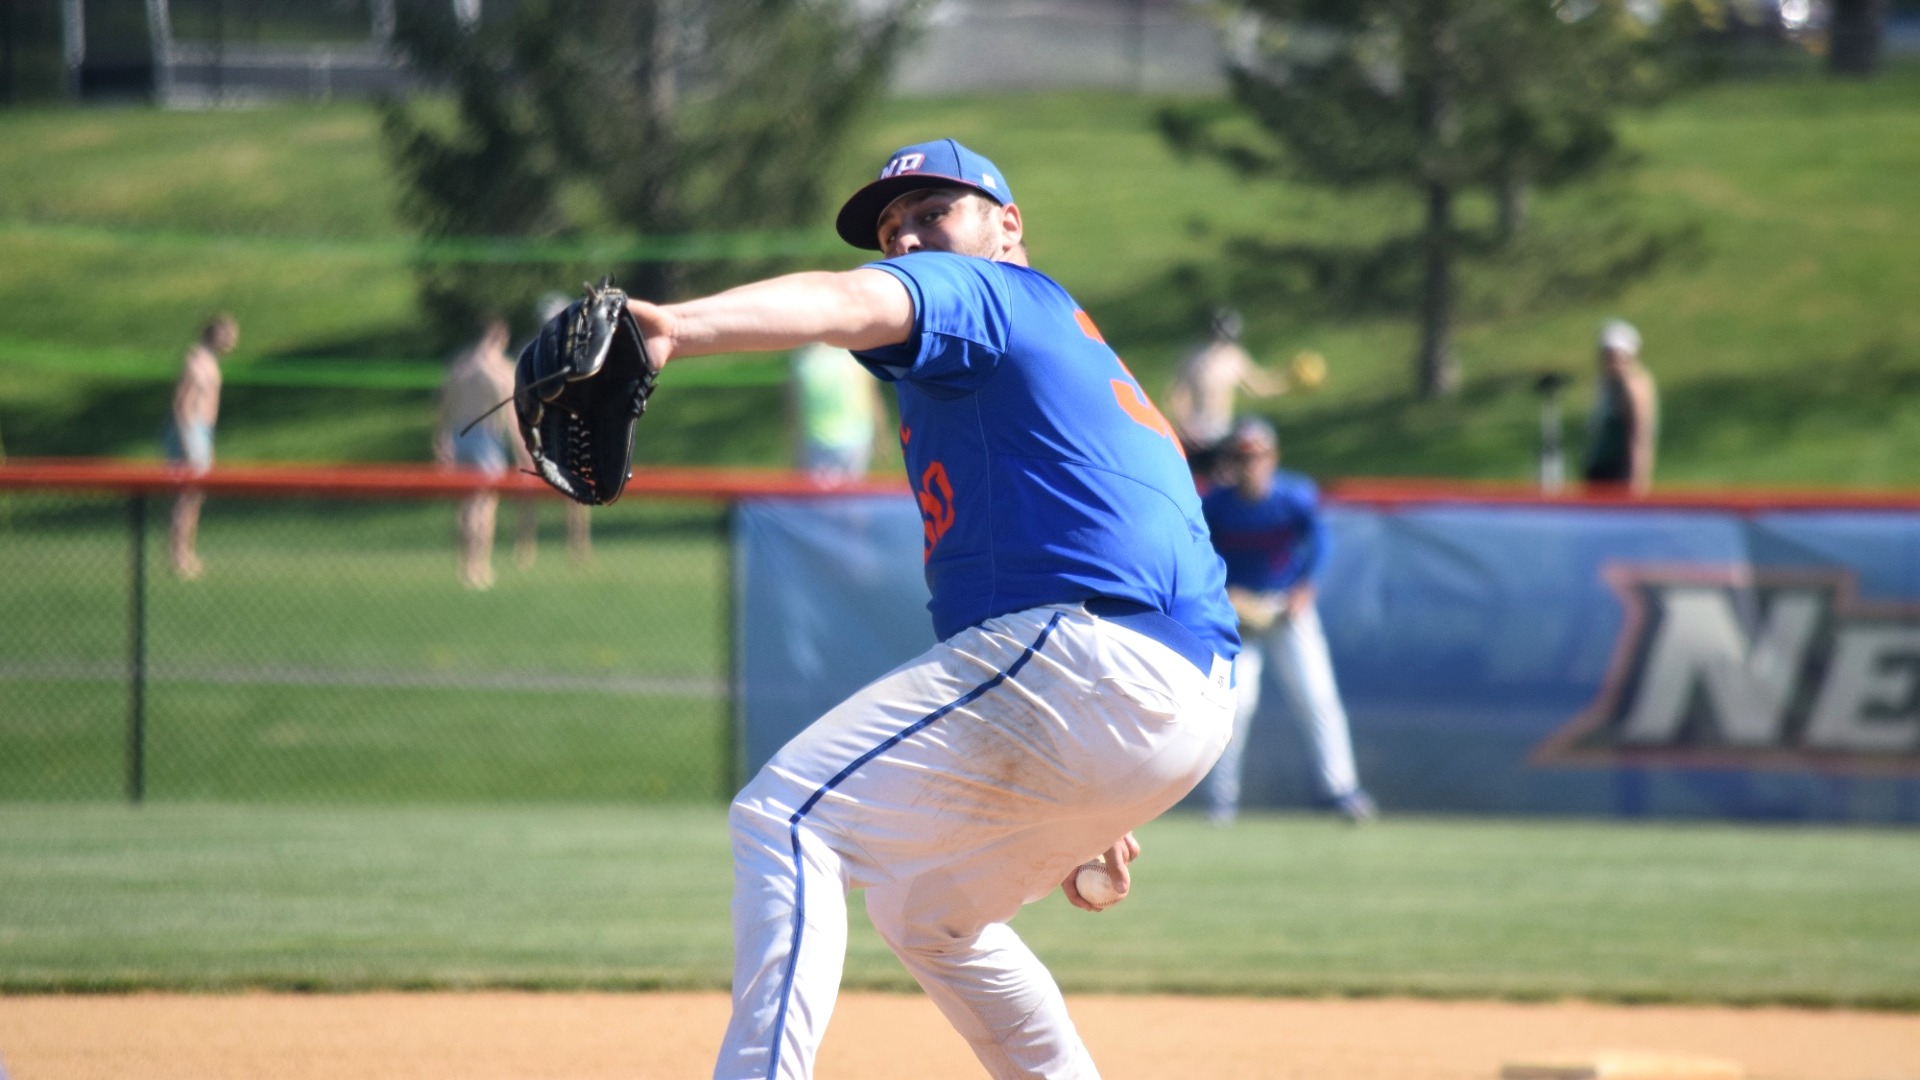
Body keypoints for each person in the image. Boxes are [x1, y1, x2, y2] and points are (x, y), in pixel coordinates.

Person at [619, 138, 1239, 1079]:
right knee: (928, 916)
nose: (906, 239)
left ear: (1006, 225)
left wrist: (673, 325)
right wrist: (1099, 784)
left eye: (931, 213)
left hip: (1089, 660)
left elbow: (845, 302)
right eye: (891, 229)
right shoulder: (1049, 346)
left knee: (787, 818)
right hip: (1165, 690)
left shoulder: (990, 293)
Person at [1199, 416, 1375, 826]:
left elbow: (1320, 542)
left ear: (1273, 457)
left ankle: (1341, 789)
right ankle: (1221, 802)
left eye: (1258, 455)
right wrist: (1223, 593)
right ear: (1231, 461)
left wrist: (1306, 587)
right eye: (1242, 456)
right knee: (1235, 707)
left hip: (1286, 607)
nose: (1251, 464)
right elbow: (1202, 554)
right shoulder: (1217, 504)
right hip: (1239, 612)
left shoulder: (1293, 495)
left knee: (1317, 697)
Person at [435, 317, 522, 590]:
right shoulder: (500, 369)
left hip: (459, 437)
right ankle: (480, 566)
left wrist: (440, 439)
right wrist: (522, 450)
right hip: (486, 440)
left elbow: (443, 405)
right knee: (484, 507)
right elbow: (511, 413)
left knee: (464, 507)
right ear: (500, 337)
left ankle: (465, 566)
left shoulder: (460, 366)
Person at [1164, 306, 1288, 483]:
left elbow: (1256, 387)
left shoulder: (1233, 358)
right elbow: (1176, 395)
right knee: (1193, 481)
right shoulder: (1194, 357)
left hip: (1221, 432)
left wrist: (1287, 382)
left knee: (1224, 481)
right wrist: (1185, 426)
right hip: (1194, 434)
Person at [165, 312, 238, 580]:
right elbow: (182, 404)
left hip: (201, 431)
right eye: (228, 334)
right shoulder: (195, 363)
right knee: (187, 495)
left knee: (195, 497)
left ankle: (187, 552)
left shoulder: (210, 362)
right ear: (214, 334)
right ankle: (178, 556)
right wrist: (188, 441)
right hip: (190, 429)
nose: (232, 340)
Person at [787, 341, 888, 486]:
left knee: (827, 496)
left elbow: (794, 409)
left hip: (832, 441)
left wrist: (796, 446)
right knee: (849, 493)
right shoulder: (854, 356)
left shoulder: (803, 361)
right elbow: (873, 398)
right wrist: (881, 435)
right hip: (847, 441)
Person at [1581, 318, 1658, 496]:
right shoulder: (1607, 383)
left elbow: (1640, 437)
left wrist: (1637, 483)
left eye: (1615, 354)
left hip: (1620, 472)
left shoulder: (1634, 385)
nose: (1610, 360)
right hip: (1600, 469)